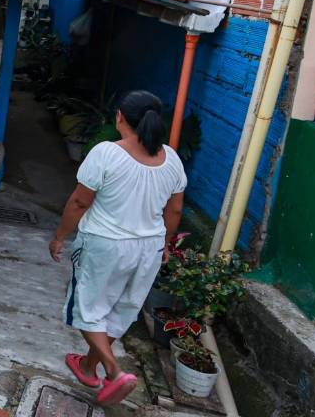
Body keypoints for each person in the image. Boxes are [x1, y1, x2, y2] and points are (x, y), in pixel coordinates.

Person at [48, 90, 186, 406]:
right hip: (148, 248)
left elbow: (81, 201)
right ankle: (86, 366)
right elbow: (174, 211)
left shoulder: (106, 153)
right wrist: (165, 243)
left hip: (106, 245)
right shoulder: (172, 159)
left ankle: (114, 372)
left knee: (87, 309)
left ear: (120, 117)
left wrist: (60, 236)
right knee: (121, 310)